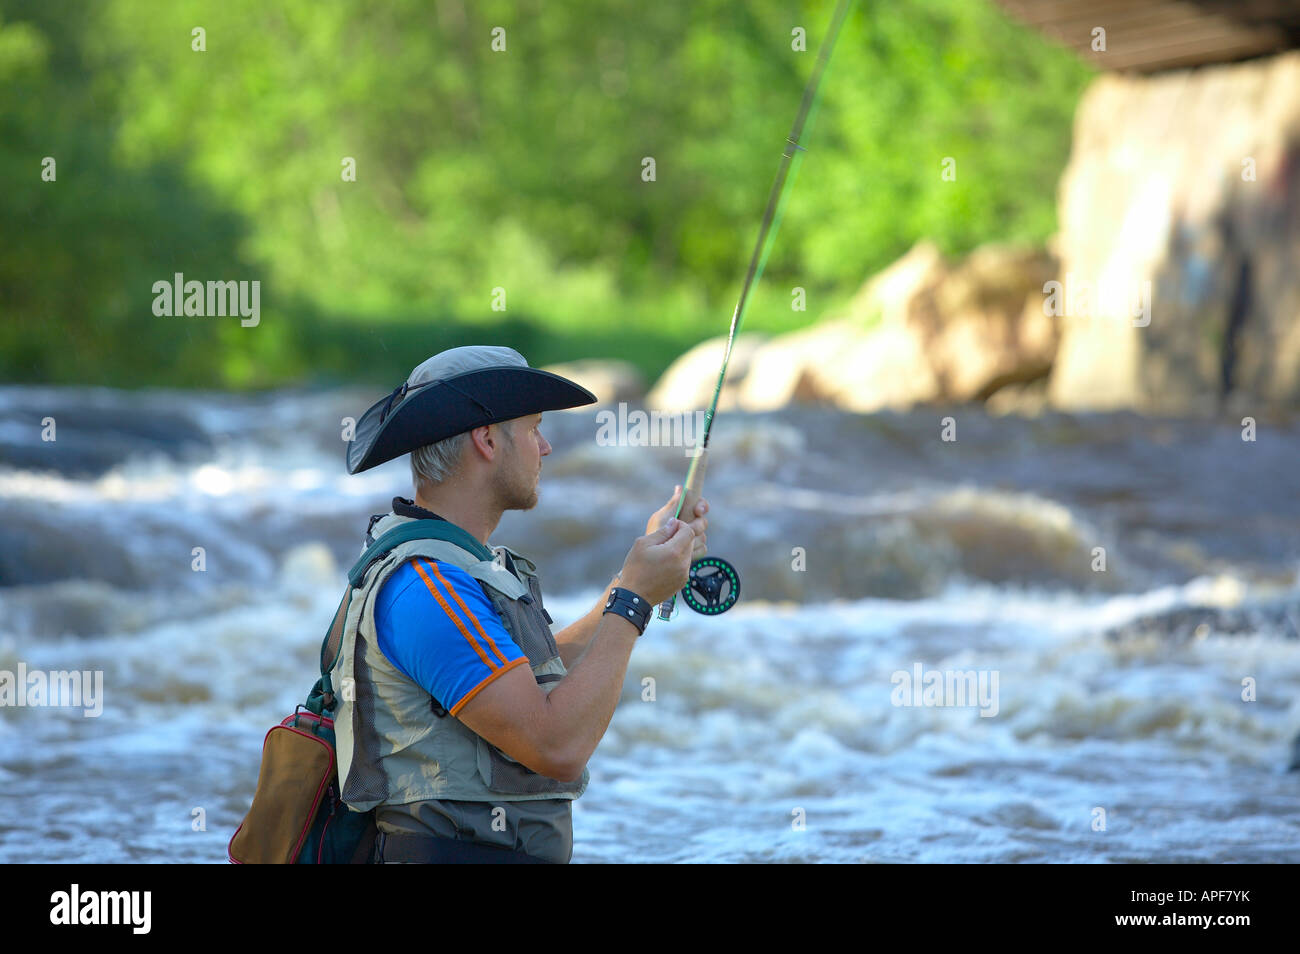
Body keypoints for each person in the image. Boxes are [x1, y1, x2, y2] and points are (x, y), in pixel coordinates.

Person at [333, 345, 709, 863]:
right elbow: (555, 746)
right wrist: (635, 601)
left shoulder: (457, 569)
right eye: (533, 428)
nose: (546, 446)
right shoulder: (427, 587)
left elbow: (517, 683)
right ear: (486, 440)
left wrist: (636, 574)